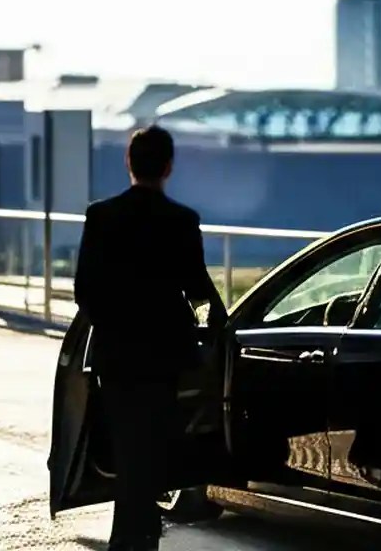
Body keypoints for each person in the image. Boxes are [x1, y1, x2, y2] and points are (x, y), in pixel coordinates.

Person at [73, 125, 226, 551]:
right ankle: (143, 531)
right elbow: (196, 287)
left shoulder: (101, 216)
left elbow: (84, 290)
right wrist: (216, 322)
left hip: (117, 354)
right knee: (155, 443)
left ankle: (129, 533)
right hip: (164, 354)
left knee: (126, 442)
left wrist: (114, 323)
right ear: (168, 166)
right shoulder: (181, 221)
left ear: (129, 162)